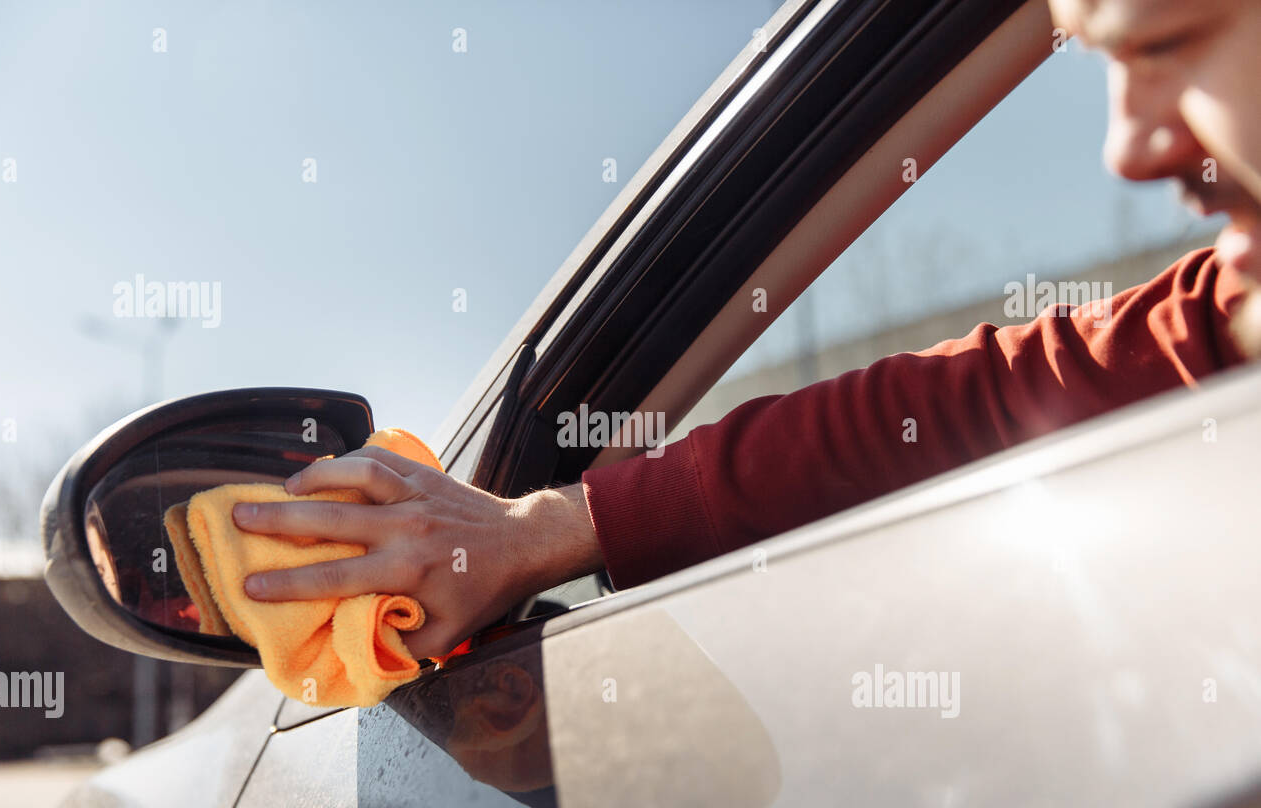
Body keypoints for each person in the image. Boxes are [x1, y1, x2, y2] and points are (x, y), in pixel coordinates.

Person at [231, 0, 1261, 660]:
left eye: (1164, 41)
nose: (1126, 146)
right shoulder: (1225, 324)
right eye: (1101, 60)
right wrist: (545, 529)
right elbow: (987, 397)